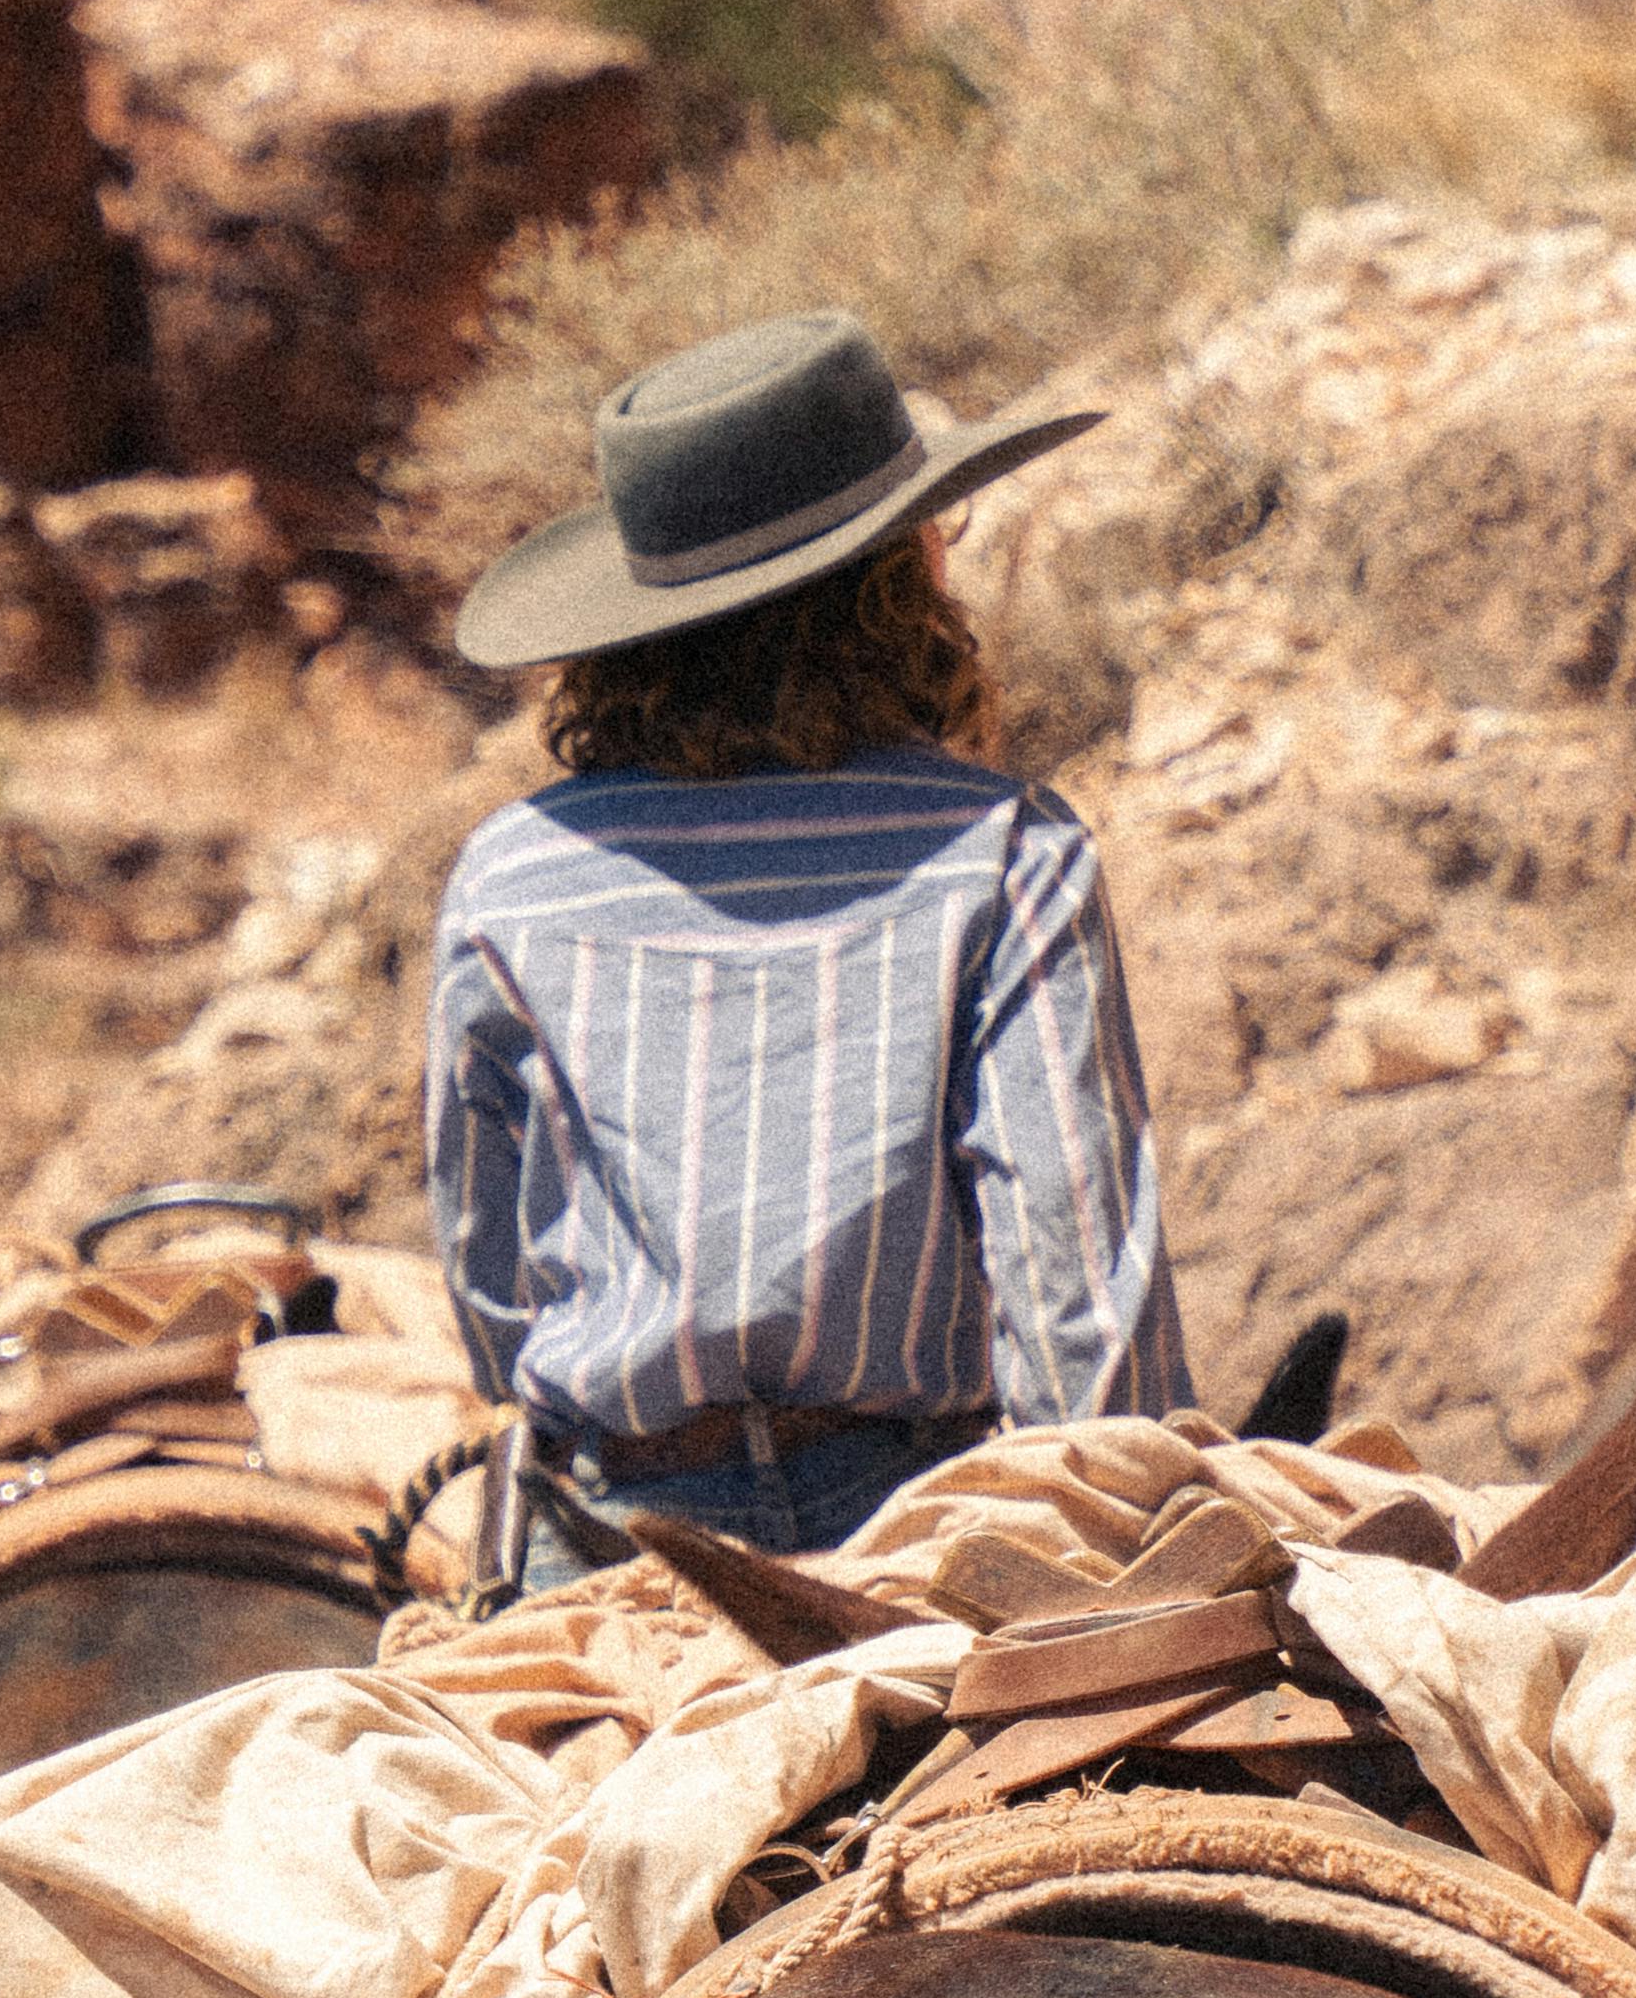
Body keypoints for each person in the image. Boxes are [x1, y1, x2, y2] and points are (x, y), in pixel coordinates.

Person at [429, 308, 1183, 1584]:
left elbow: (492, 1275)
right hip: (914, 1523)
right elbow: (1075, 1290)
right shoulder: (1007, 850)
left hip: (616, 1539)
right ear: (899, 584)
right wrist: (1122, 1541)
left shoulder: (512, 875)